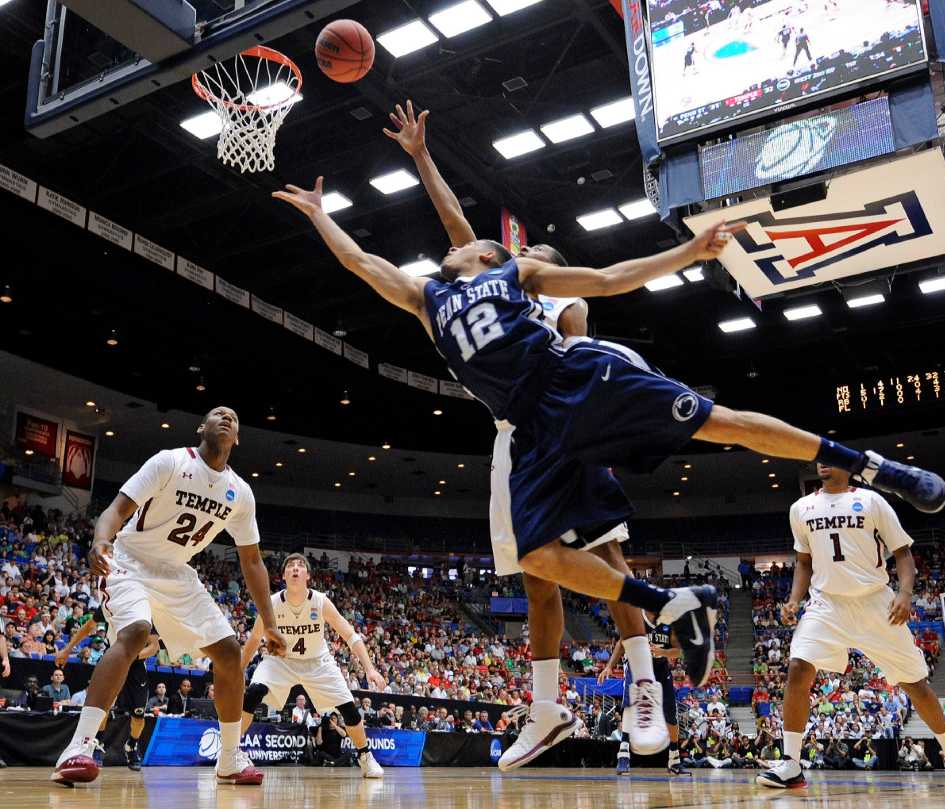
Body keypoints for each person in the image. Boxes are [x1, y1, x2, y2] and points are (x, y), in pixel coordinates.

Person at [274, 163, 945, 745]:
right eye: (477, 239)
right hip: (532, 428)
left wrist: (687, 254)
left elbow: (606, 277)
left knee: (719, 424)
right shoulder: (430, 297)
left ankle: (874, 467)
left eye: (481, 241)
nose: (474, 239)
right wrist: (323, 213)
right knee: (536, 558)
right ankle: (671, 604)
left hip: (577, 380)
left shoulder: (520, 274)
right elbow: (363, 262)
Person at [383, 102, 674, 766]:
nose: (515, 255)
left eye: (529, 254)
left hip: (566, 421)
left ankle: (645, 689)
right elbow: (456, 228)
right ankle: (546, 709)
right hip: (509, 440)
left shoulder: (561, 299)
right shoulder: (490, 285)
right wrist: (422, 155)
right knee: (534, 577)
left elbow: (578, 358)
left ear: (544, 265)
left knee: (608, 562)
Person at [51, 407, 287, 787]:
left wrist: (271, 624)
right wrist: (100, 541)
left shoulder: (240, 492)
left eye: (234, 417)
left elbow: (252, 560)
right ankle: (77, 747)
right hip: (130, 560)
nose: (226, 417)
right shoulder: (171, 462)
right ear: (202, 427)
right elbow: (116, 509)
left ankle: (228, 757)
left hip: (177, 572)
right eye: (217, 413)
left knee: (228, 652)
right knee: (135, 632)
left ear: (238, 438)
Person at [756, 463, 945, 791]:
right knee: (797, 669)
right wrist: (793, 599)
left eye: (831, 454)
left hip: (876, 602)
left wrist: (905, 593)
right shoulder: (800, 508)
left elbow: (903, 555)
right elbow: (803, 562)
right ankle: (791, 764)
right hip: (826, 605)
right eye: (819, 454)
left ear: (848, 465)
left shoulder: (873, 501)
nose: (823, 460)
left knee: (915, 685)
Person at [240, 553, 385, 779]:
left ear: (308, 575)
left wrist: (370, 669)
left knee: (348, 708)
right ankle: (230, 752)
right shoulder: (272, 603)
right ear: (284, 575)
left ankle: (365, 756)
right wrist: (239, 669)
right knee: (253, 692)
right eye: (290, 566)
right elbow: (253, 639)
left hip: (318, 662)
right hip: (281, 661)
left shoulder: (320, 601)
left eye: (300, 566)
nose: (295, 568)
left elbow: (350, 634)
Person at [56, 613, 160, 771]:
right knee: (103, 708)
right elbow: (88, 626)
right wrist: (67, 649)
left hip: (136, 666)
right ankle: (97, 743)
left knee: (138, 716)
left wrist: (132, 655)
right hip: (114, 660)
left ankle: (132, 745)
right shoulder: (110, 602)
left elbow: (154, 647)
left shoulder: (145, 613)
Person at [600, 613, 687, 776]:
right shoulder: (635, 618)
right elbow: (622, 642)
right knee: (631, 703)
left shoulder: (669, 621)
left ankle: (674, 758)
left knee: (670, 713)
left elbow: (678, 651)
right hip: (636, 663)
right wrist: (609, 666)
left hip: (660, 667)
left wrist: (663, 652)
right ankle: (623, 754)